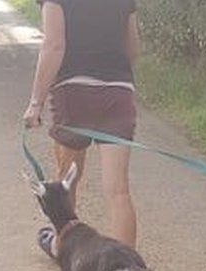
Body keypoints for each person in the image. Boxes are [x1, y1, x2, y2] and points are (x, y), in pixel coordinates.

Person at [23, 0, 140, 250]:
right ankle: (127, 268)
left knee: (67, 182)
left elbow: (54, 46)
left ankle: (63, 247)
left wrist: (36, 102)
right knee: (118, 191)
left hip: (73, 92)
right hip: (119, 90)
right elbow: (132, 49)